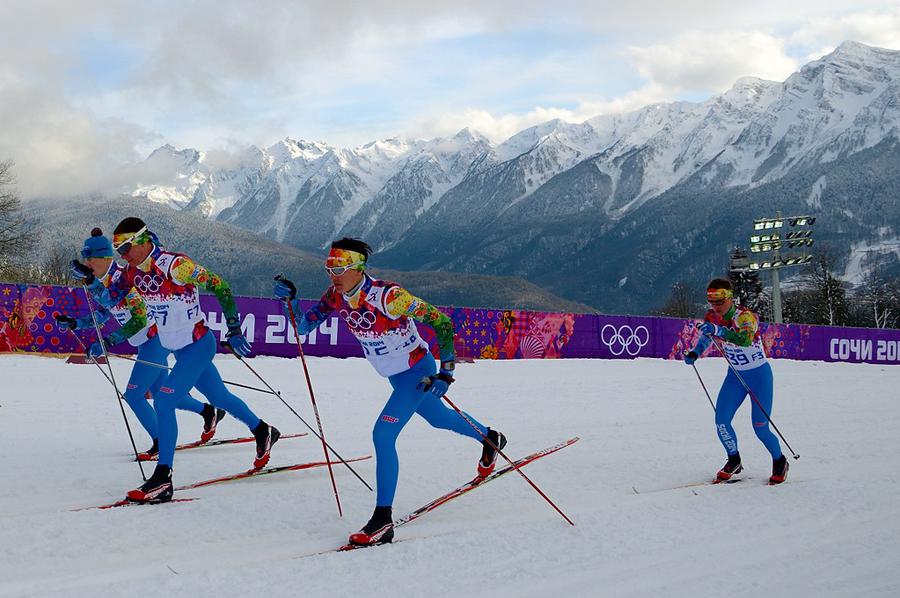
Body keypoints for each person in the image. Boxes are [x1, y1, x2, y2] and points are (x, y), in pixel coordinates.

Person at [273, 237, 506, 546]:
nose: (333, 275)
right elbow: (302, 327)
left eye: (339, 269)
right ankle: (490, 437)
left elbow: (441, 322)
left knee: (383, 435)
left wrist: (446, 372)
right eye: (329, 268)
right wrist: (290, 302)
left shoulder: (390, 297)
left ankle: (382, 520)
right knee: (439, 418)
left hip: (417, 373)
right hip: (396, 376)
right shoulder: (336, 296)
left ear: (358, 268)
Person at [72, 217, 280, 503]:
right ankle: (262, 430)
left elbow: (219, 285)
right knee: (219, 396)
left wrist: (233, 328)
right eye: (118, 249)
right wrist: (90, 281)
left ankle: (163, 478)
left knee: (164, 400)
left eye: (126, 247)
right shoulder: (132, 273)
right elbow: (110, 301)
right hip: (178, 349)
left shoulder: (175, 265)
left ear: (143, 240)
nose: (122, 255)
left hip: (198, 345)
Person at [57, 228, 225, 459]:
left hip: (154, 341)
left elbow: (138, 320)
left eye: (90, 259)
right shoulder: (104, 282)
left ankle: (160, 442)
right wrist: (76, 323)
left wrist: (107, 342)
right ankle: (208, 412)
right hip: (146, 343)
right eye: (85, 260)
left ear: (105, 258)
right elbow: (104, 313)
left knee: (134, 395)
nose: (87, 264)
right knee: (161, 392)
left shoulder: (123, 279)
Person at [684, 278, 788, 484]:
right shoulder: (712, 317)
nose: (716, 306)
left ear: (730, 298)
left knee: (760, 427)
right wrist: (696, 352)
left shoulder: (745, 317)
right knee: (721, 421)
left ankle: (780, 460)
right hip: (735, 377)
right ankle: (734, 460)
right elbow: (707, 337)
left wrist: (719, 330)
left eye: (720, 301)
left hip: (759, 377)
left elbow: (745, 339)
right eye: (712, 301)